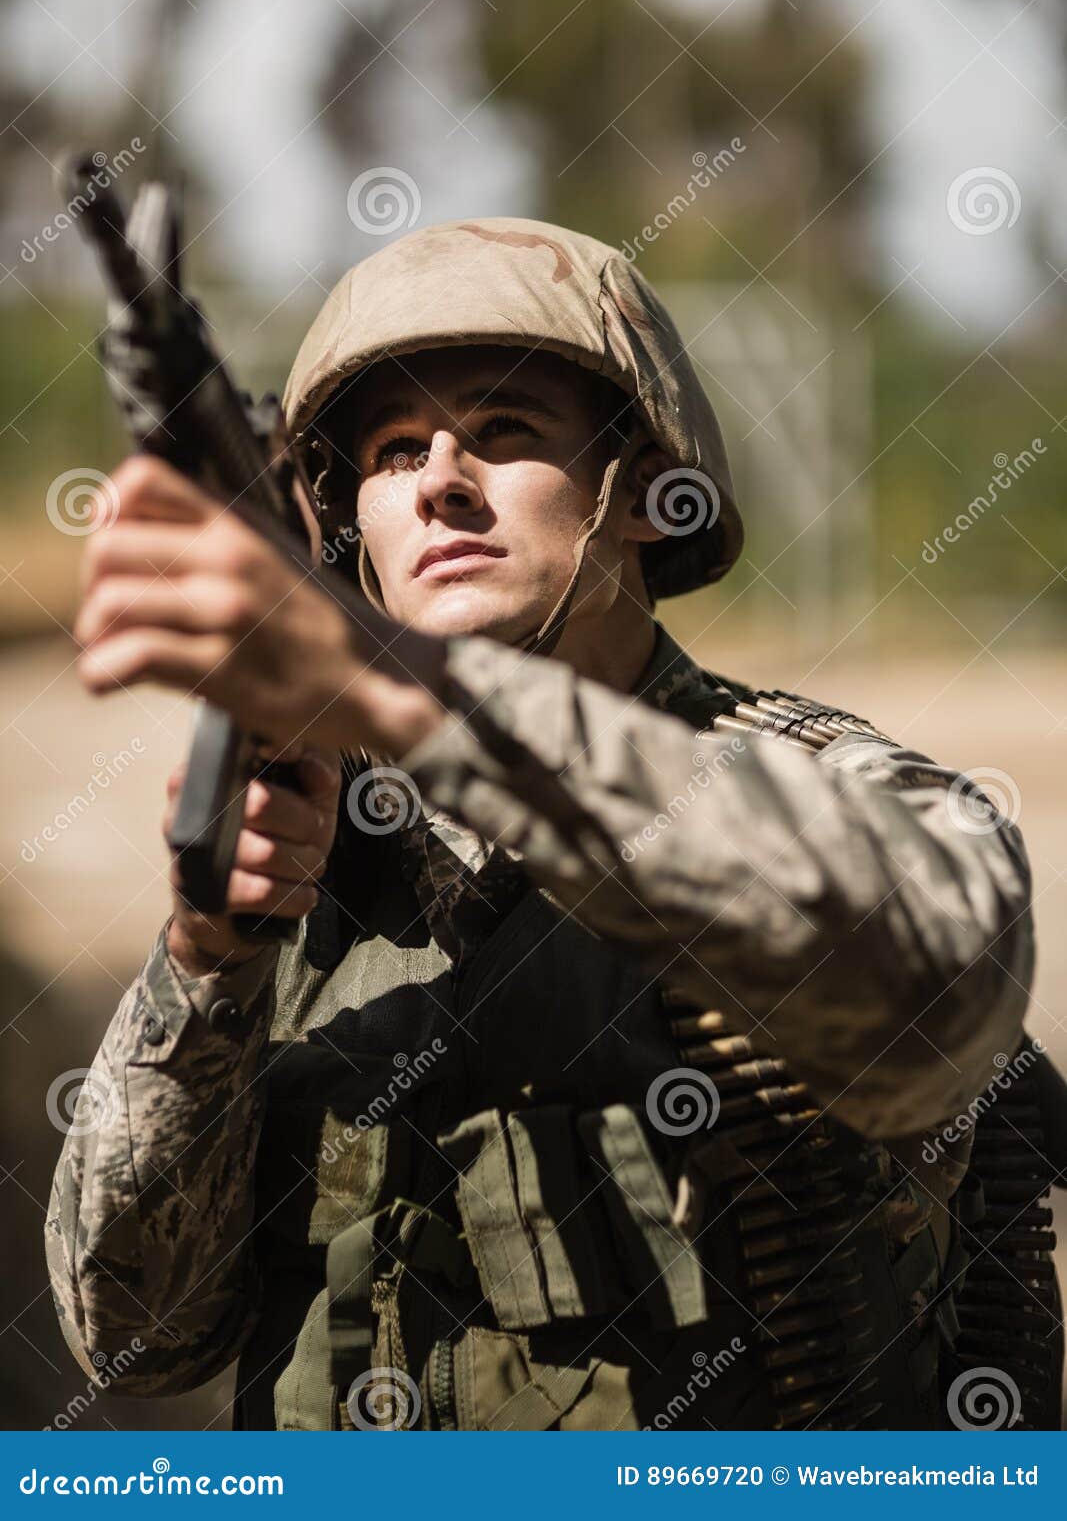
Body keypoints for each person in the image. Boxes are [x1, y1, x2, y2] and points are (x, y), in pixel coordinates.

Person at [45, 218, 1058, 1431]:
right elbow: (136, 1341)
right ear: (346, 532)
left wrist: (402, 691)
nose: (439, 482)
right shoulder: (307, 859)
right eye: (391, 450)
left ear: (643, 490)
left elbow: (939, 977)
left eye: (506, 431)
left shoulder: (810, 790)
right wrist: (209, 963)